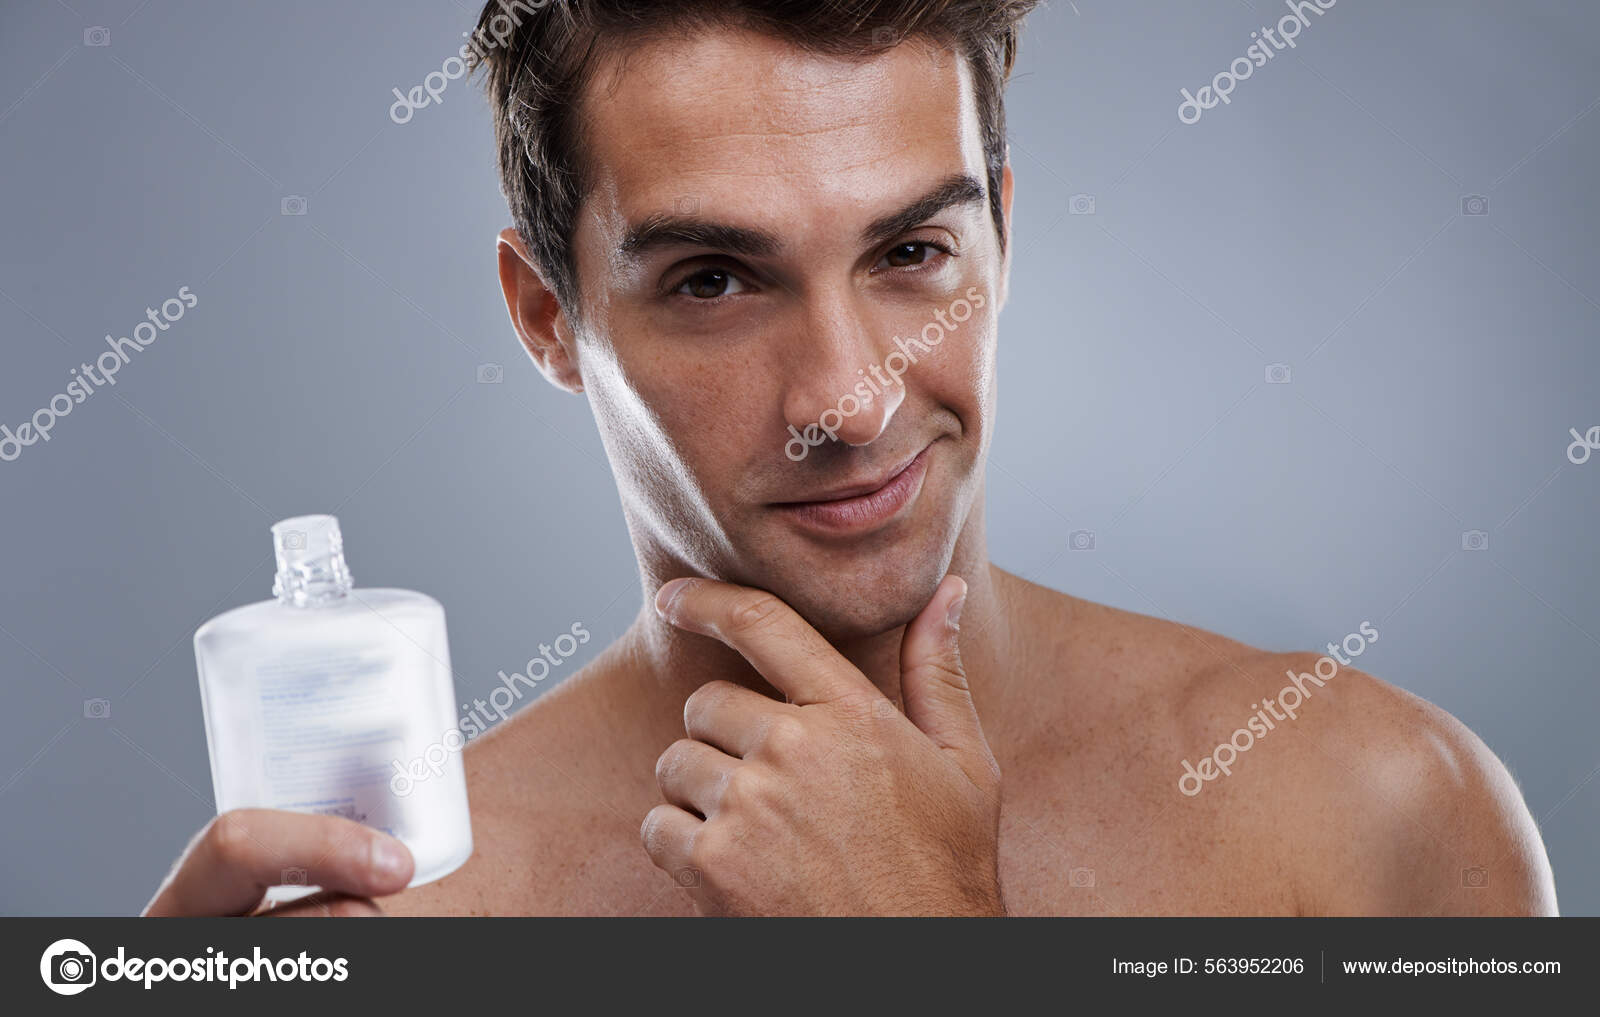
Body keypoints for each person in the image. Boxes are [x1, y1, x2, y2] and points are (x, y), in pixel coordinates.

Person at [145, 0, 1557, 917]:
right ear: (547, 317)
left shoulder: (1377, 807)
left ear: (1003, 238)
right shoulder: (405, 913)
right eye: (713, 280)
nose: (850, 399)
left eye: (911, 252)